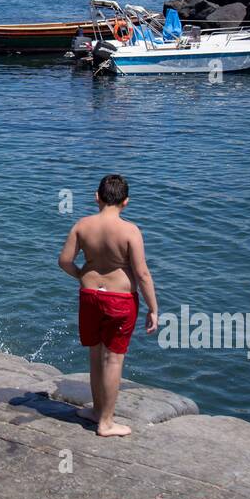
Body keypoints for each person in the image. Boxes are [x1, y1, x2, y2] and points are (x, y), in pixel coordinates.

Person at [57, 174, 158, 438]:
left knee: (95, 354)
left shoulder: (82, 225)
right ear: (126, 202)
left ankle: (96, 410)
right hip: (119, 300)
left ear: (97, 197)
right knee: (113, 359)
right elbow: (143, 273)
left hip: (90, 295)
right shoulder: (130, 231)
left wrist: (82, 275)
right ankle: (107, 422)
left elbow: (65, 261)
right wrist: (153, 308)